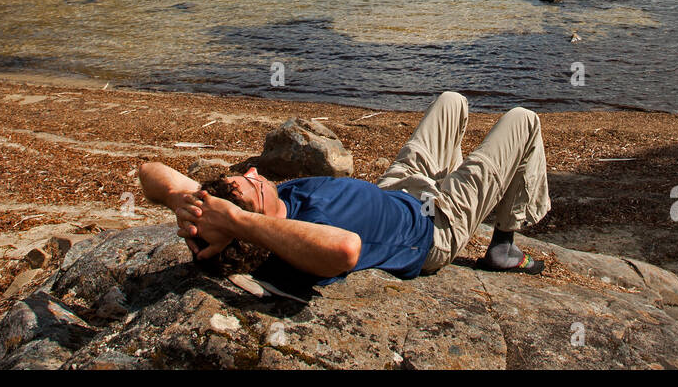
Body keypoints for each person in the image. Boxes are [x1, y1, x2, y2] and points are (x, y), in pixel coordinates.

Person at [137, 91, 551, 288]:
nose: (248, 171)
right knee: (522, 118)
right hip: (432, 227)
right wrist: (239, 222)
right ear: (248, 220)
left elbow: (148, 172)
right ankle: (503, 246)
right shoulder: (296, 237)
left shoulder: (261, 208)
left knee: (452, 101)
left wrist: (184, 200)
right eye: (244, 186)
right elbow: (344, 251)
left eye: (238, 175)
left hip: (399, 188)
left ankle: (456, 183)